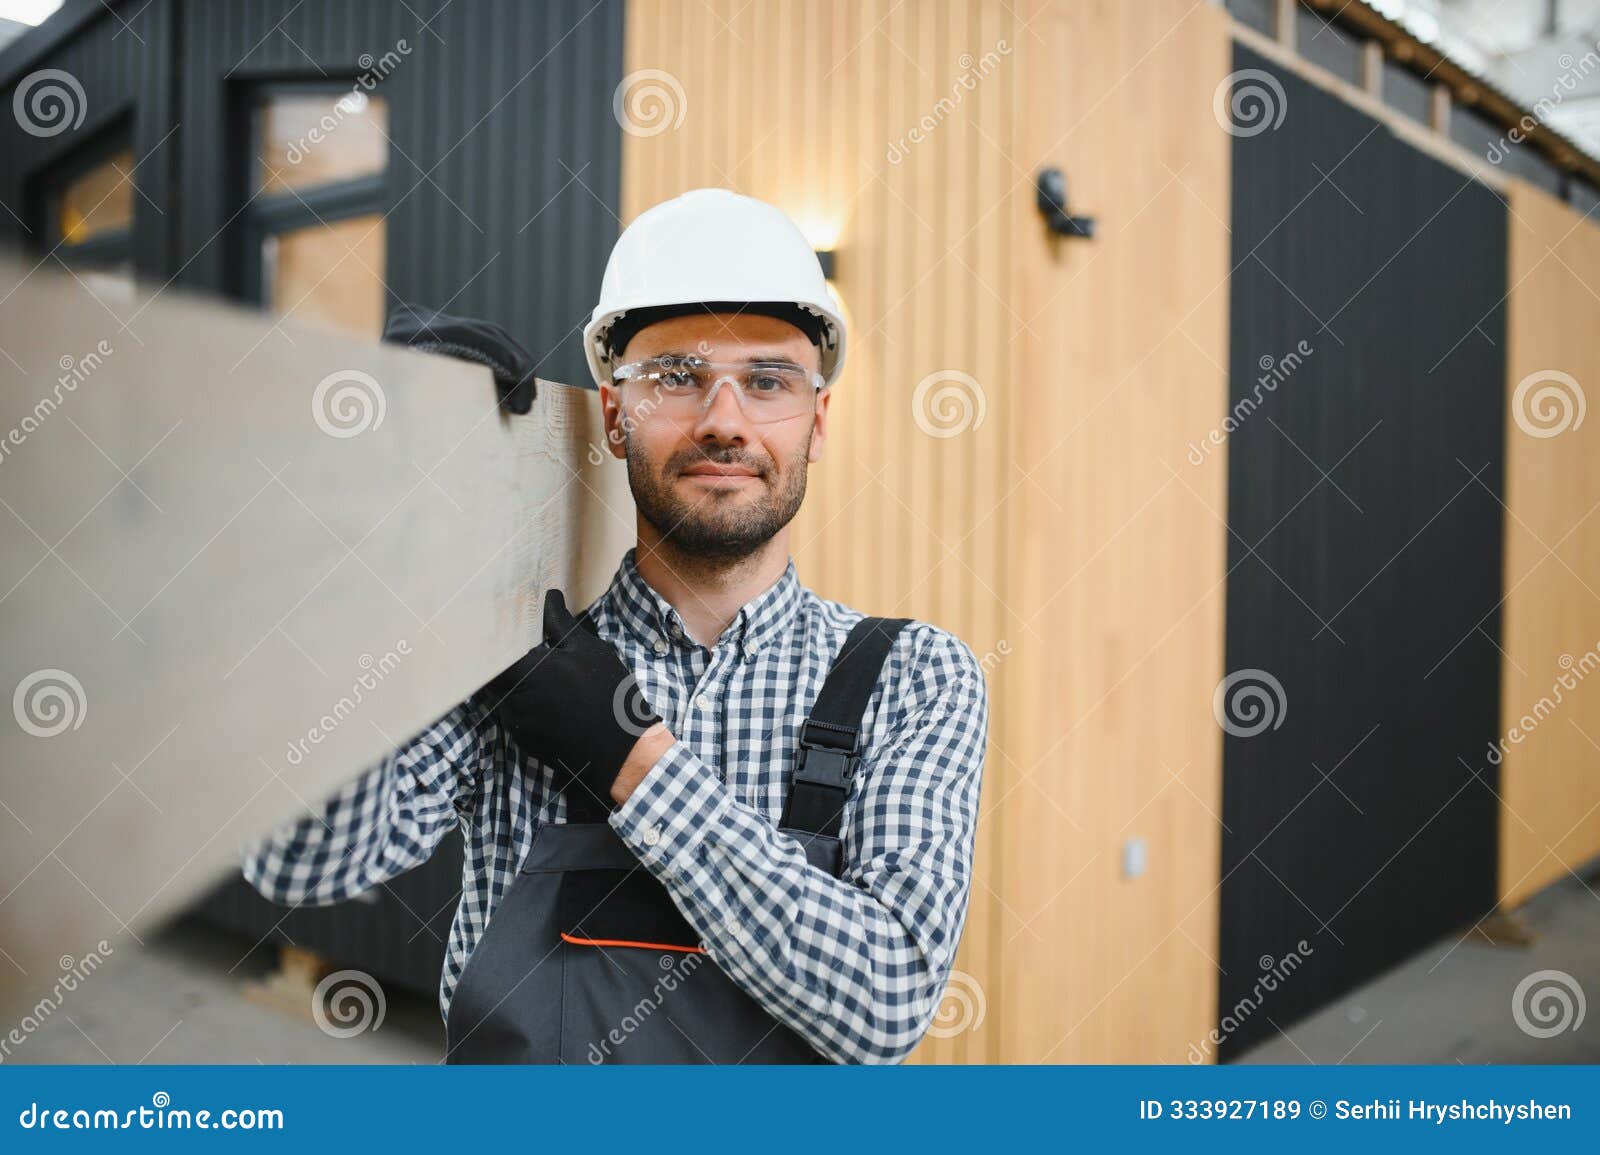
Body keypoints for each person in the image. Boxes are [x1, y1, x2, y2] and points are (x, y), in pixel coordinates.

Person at [244, 187, 989, 1064]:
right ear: (612, 413)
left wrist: (629, 757)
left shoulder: (915, 677)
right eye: (675, 376)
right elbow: (304, 862)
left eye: (767, 380)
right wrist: (385, 529)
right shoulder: (510, 657)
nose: (723, 419)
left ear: (816, 422)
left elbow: (883, 1002)